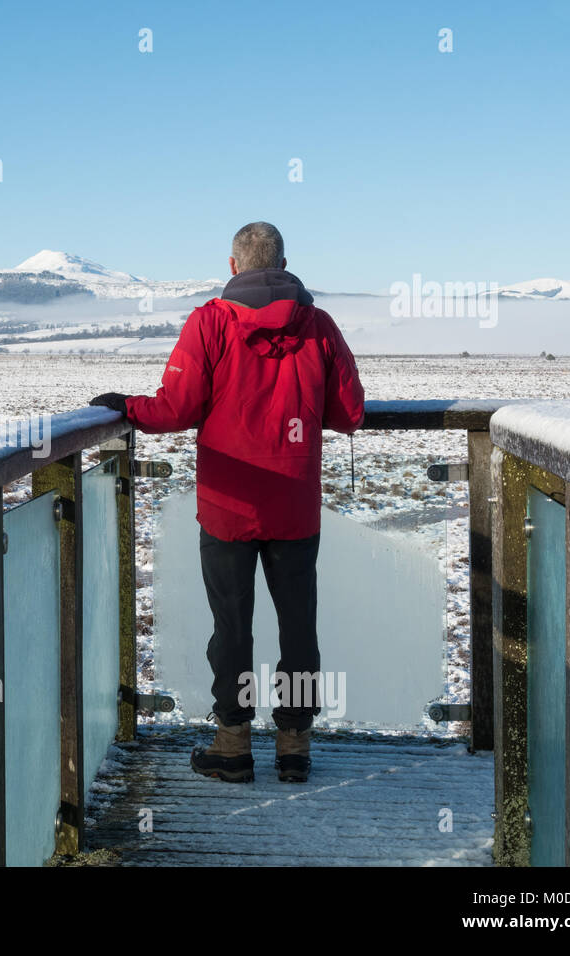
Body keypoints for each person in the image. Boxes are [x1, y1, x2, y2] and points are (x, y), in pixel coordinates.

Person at [91, 222, 365, 783]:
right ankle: (294, 745)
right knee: (299, 627)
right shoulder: (319, 326)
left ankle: (233, 742)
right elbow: (350, 413)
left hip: (228, 507)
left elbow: (176, 407)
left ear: (234, 266)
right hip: (294, 505)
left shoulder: (211, 322)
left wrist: (127, 407)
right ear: (285, 263)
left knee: (232, 626)